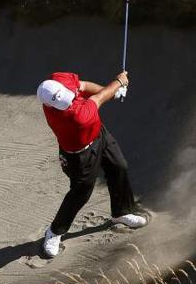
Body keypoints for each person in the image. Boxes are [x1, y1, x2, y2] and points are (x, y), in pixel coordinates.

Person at [36, 70, 147, 257]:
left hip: (99, 135)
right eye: (66, 102)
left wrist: (113, 90)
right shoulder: (74, 116)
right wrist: (118, 83)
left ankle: (121, 212)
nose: (71, 100)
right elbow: (99, 98)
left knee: (119, 167)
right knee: (80, 193)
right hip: (79, 155)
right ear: (51, 106)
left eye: (69, 96)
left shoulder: (59, 81)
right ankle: (55, 232)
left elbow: (84, 86)